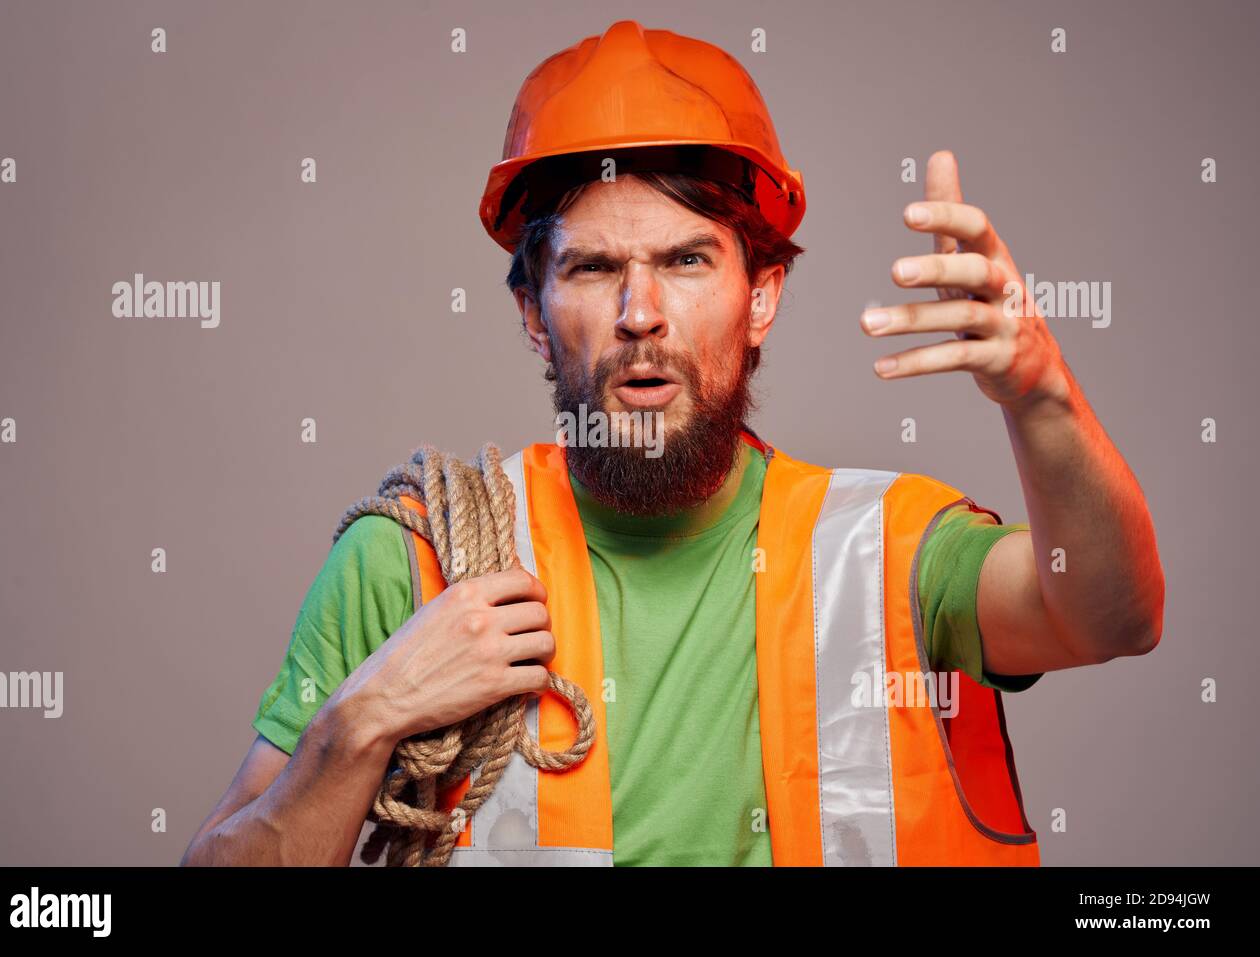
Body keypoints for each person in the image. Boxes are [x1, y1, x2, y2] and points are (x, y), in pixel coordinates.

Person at [181, 19, 1163, 867]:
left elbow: (1111, 617)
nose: (640, 313)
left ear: (761, 294)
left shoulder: (887, 549)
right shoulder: (416, 563)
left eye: (686, 261)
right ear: (533, 311)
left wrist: (1041, 395)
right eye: (595, 268)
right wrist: (367, 718)